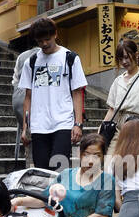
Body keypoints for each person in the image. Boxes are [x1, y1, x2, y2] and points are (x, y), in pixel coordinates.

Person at [19, 16, 88, 171]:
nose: (44, 44)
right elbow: (28, 97)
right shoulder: (31, 62)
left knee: (59, 170)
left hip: (62, 123)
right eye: (40, 41)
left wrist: (78, 124)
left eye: (47, 39)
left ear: (55, 34)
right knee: (41, 172)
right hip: (38, 125)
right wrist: (25, 127)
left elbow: (77, 93)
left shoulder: (70, 58)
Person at [101, 36, 139, 137]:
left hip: (138, 127)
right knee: (113, 153)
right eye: (120, 59)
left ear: (136, 55)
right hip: (119, 129)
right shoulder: (118, 81)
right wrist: (101, 129)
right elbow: (111, 109)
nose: (124, 62)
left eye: (126, 57)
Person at [11, 46, 35, 166]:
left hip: (20, 101)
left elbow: (15, 82)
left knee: (29, 143)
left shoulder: (22, 57)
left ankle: (30, 167)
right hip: (33, 102)